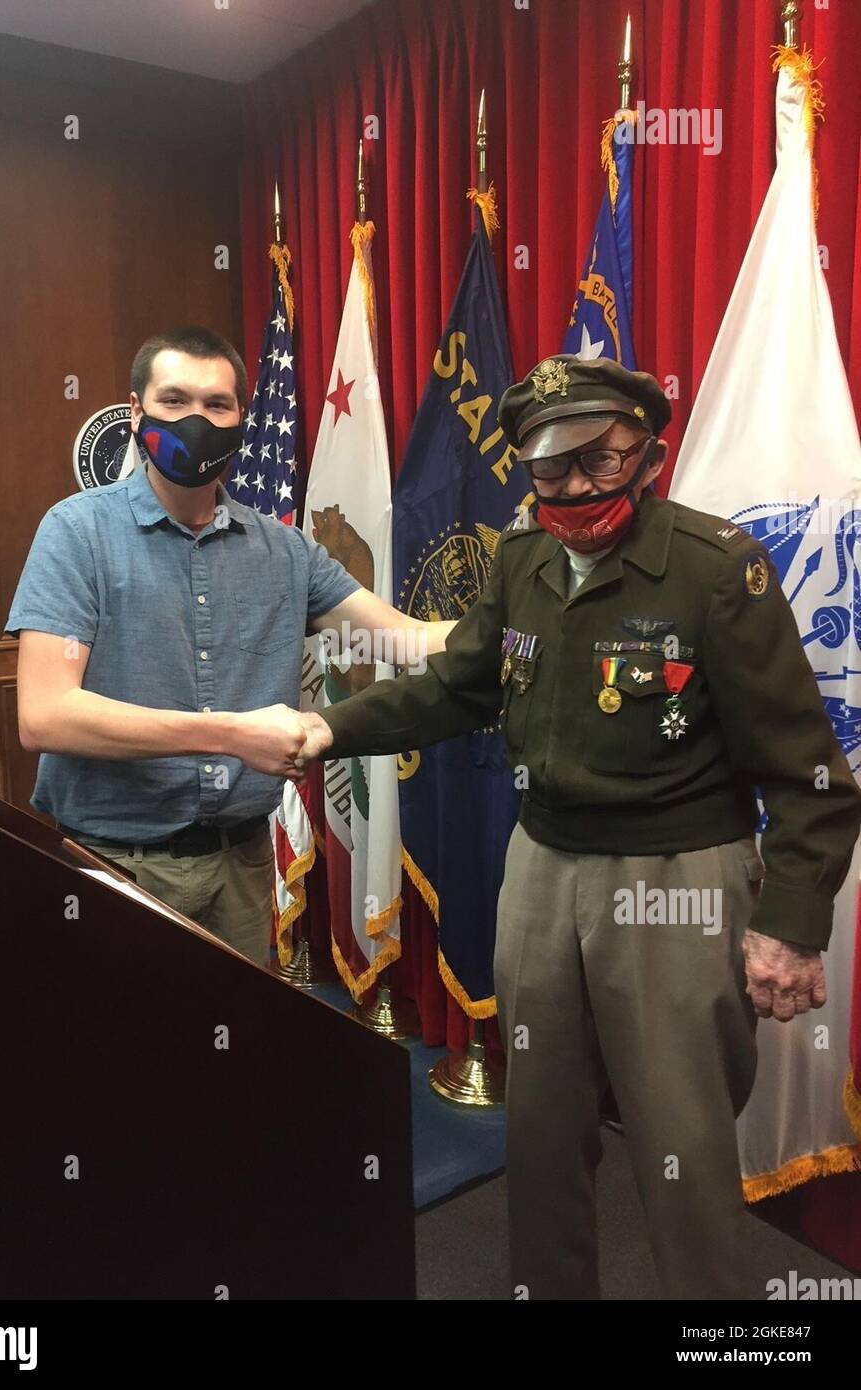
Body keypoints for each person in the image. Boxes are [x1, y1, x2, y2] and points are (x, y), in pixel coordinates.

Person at [296, 353, 861, 1299]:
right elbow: (457, 687)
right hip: (543, 870)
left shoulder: (717, 569)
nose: (572, 487)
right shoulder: (521, 560)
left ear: (649, 453)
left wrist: (791, 927)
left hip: (676, 876)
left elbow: (808, 772)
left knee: (682, 1142)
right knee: (542, 1135)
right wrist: (327, 726)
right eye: (548, 465)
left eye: (600, 458)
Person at [5, 325, 453, 966]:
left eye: (217, 406)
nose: (197, 421)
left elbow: (408, 642)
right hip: (112, 866)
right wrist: (231, 733)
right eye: (174, 401)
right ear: (136, 413)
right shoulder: (77, 533)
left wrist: (534, 611)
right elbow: (45, 716)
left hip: (240, 868)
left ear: (242, 417)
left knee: (233, 1054)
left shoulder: (286, 549)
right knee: (122, 1060)